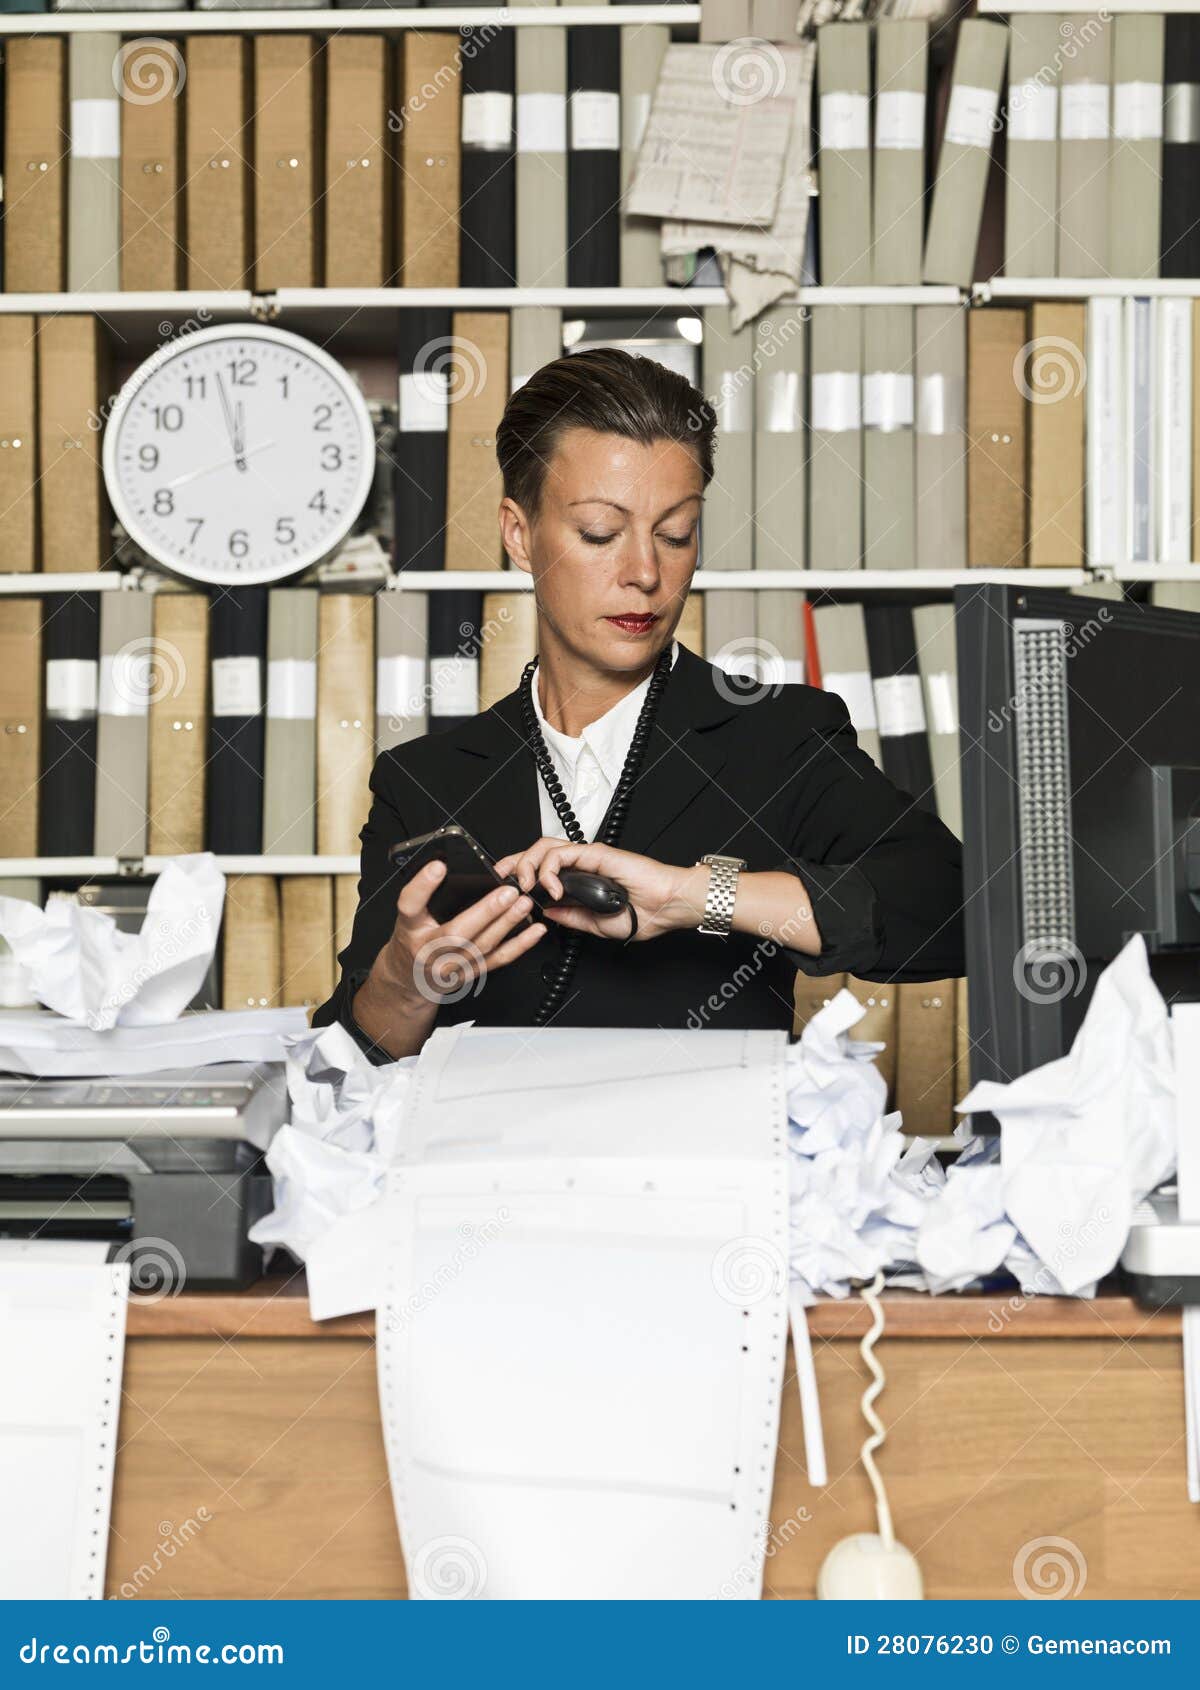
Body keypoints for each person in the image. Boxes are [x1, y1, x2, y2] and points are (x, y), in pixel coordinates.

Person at [312, 347, 965, 1062]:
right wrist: (404, 987)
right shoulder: (424, 779)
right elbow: (343, 1063)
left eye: (675, 533)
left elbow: (956, 909)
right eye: (600, 533)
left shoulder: (780, 737)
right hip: (488, 1168)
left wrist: (696, 896)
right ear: (519, 534)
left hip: (706, 1163)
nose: (646, 573)